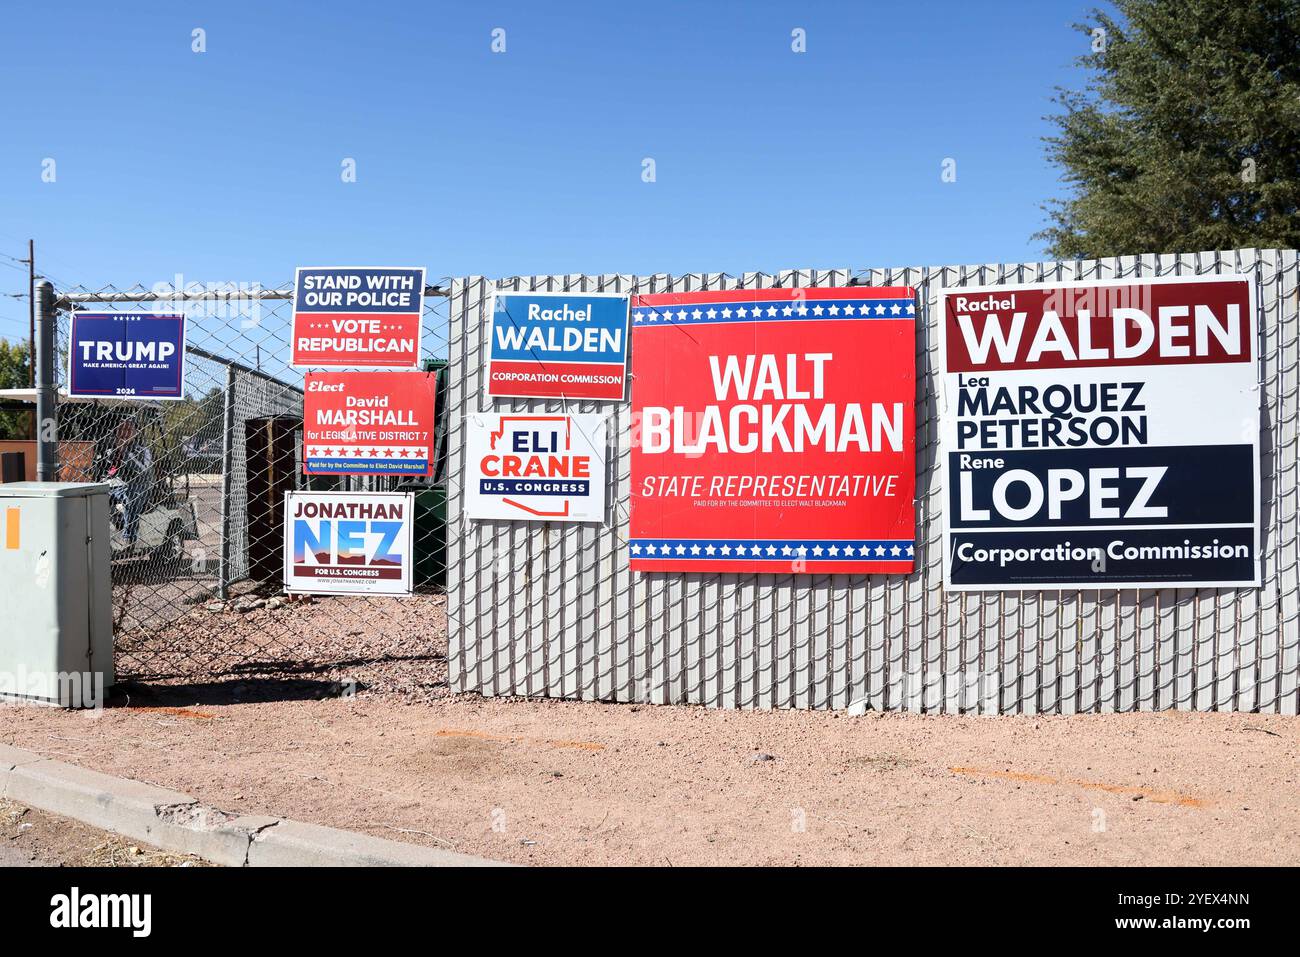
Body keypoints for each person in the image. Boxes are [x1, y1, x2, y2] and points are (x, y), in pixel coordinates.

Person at [108, 418, 153, 549]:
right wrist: (115, 453)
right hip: (115, 485)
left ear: (135, 432)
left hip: (138, 485)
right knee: (98, 494)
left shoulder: (143, 450)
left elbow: (143, 471)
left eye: (128, 429)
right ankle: (118, 520)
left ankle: (129, 537)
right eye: (120, 430)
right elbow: (107, 471)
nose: (123, 433)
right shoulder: (110, 450)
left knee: (131, 497)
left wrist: (125, 453)